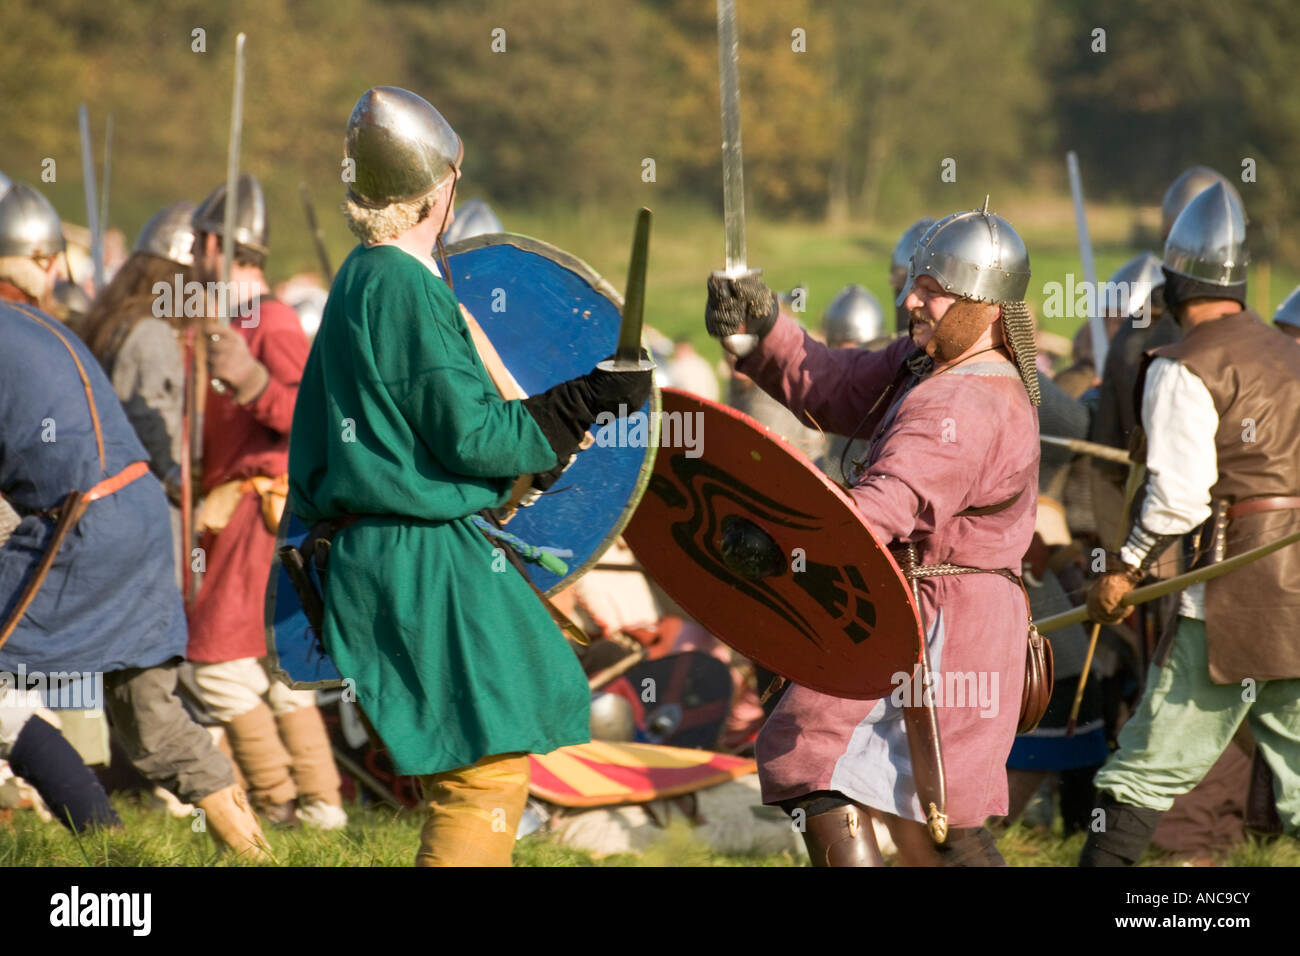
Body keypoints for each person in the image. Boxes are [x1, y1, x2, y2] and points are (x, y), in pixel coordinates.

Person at [288, 87, 652, 866]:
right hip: (416, 557)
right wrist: (587, 397)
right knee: (483, 775)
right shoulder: (401, 285)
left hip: (393, 548)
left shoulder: (362, 276)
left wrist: (556, 428)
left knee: (473, 769)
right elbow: (475, 438)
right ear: (441, 188)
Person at [705, 201, 1041, 866]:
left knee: (827, 762)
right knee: (918, 815)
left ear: (991, 307)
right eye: (916, 284)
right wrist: (763, 327)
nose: (913, 301)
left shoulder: (966, 400)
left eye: (935, 293)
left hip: (940, 630)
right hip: (917, 612)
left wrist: (785, 545)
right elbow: (834, 384)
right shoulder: (926, 366)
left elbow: (882, 506)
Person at [0, 300, 270, 856]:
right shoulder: (29, 321)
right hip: (141, 512)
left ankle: (105, 842)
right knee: (153, 723)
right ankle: (253, 853)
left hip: (78, 521)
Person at [1081, 182, 1300, 865]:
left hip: (1237, 602)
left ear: (1175, 283)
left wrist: (1125, 568)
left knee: (1140, 772)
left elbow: (1180, 499)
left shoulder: (1184, 366)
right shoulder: (1292, 353)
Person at [183, 174, 345, 830]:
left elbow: (315, 417)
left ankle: (278, 800)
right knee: (272, 668)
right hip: (236, 509)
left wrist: (250, 380)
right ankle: (323, 804)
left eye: (200, 244)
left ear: (220, 245)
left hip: (262, 509)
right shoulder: (222, 318)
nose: (192, 256)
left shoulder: (271, 320)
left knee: (217, 662)